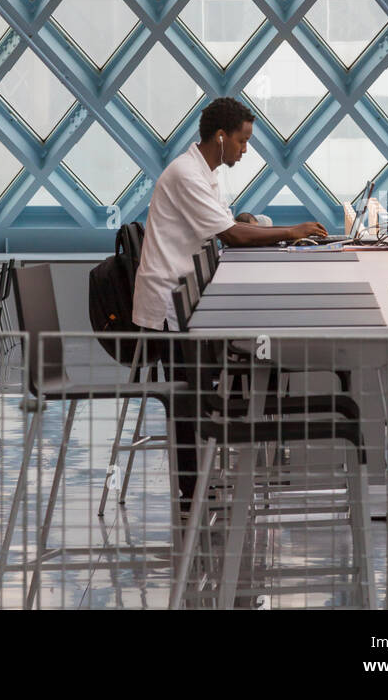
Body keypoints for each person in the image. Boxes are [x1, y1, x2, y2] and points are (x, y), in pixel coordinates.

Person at [132, 96, 328, 499]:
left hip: (186, 299)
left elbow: (229, 222)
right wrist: (290, 232)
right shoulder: (186, 174)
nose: (245, 149)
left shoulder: (206, 173)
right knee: (187, 398)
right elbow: (231, 235)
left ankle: (218, 465)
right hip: (169, 306)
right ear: (221, 138)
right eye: (242, 141)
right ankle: (192, 491)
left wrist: (250, 222)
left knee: (213, 379)